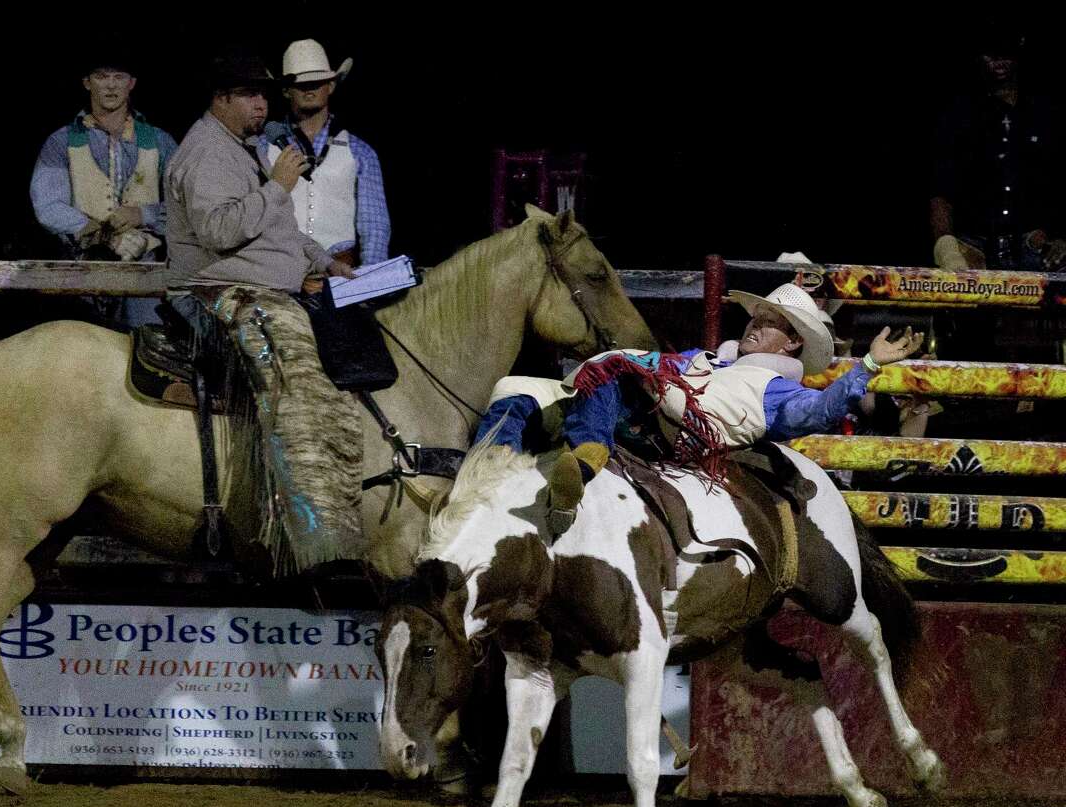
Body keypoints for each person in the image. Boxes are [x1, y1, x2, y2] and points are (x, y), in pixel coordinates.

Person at [475, 283, 924, 532]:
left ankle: (588, 458)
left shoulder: (781, 390)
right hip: (638, 402)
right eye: (758, 317)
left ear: (792, 344)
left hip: (675, 429)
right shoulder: (705, 359)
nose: (756, 324)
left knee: (615, 369)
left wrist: (866, 364)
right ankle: (486, 479)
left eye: (772, 324)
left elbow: (822, 411)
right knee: (514, 390)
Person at [164, 55, 359, 570]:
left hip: (261, 286)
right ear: (221, 100)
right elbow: (219, 232)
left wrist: (327, 263)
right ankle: (308, 527)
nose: (261, 106)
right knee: (295, 381)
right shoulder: (207, 153)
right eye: (250, 96)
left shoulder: (239, 149)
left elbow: (279, 229)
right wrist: (278, 187)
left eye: (265, 97)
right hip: (223, 293)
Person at [30, 52, 178, 329]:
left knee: (147, 347)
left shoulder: (160, 141)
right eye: (101, 77)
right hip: (83, 269)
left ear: (131, 83)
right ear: (87, 83)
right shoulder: (62, 141)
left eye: (119, 77)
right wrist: (100, 234)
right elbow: (48, 205)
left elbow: (186, 206)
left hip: (145, 270)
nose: (110, 86)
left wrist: (143, 215)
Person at [930, 34, 1066, 272]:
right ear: (978, 58)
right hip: (973, 248)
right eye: (990, 54)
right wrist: (946, 245)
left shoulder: (1046, 114)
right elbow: (940, 191)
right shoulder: (958, 116)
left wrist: (1063, 239)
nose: (998, 61)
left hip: (1034, 247)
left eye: (1005, 52)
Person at [259, 39, 390, 271]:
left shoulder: (360, 151)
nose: (309, 89)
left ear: (331, 86)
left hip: (341, 269)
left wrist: (370, 277)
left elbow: (374, 223)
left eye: (317, 82)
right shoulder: (263, 146)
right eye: (300, 84)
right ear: (286, 91)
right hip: (279, 268)